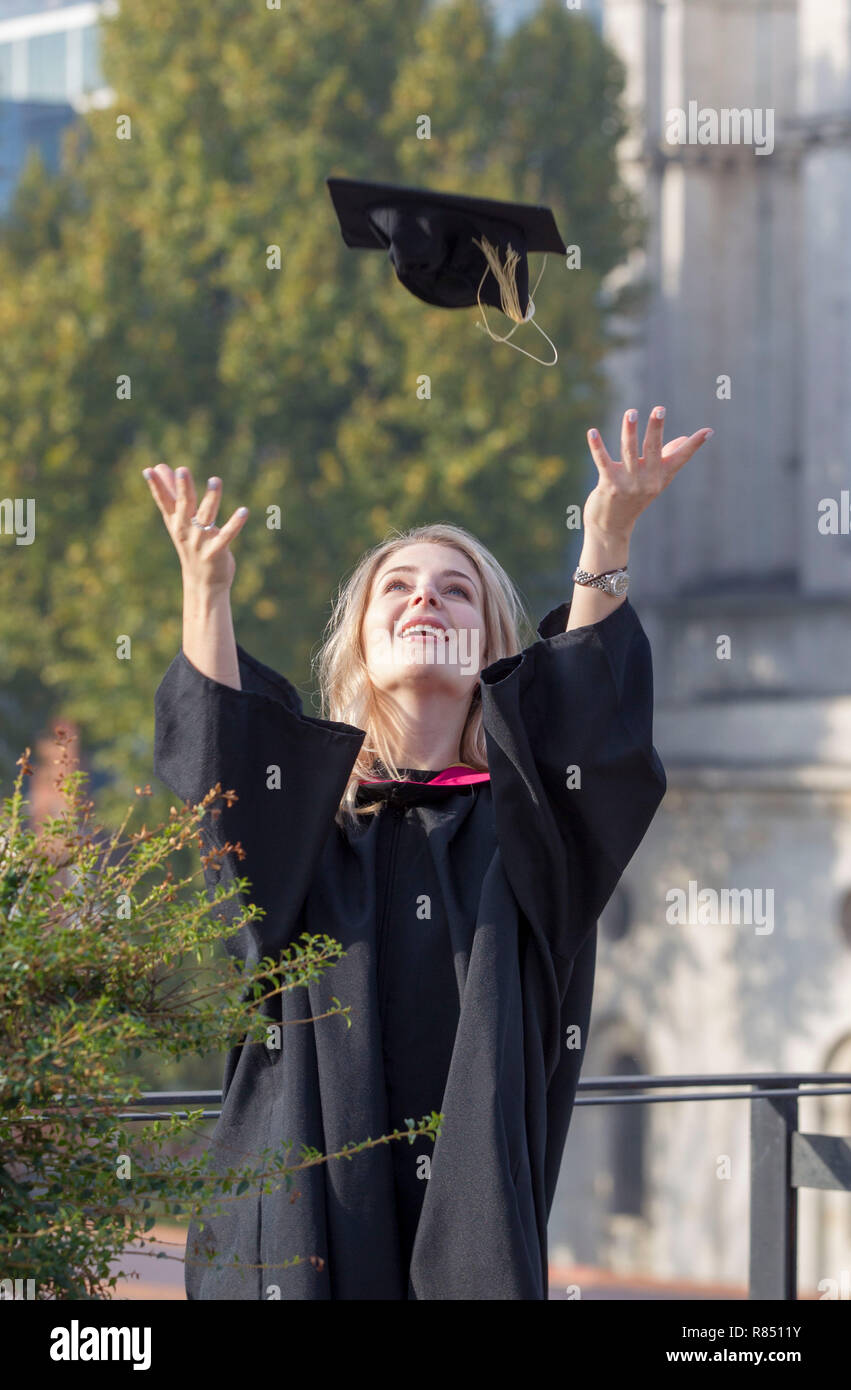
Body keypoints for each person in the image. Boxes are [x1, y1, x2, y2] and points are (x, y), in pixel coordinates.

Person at [145, 405, 713, 1300]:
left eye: (455, 590)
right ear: (361, 646)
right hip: (301, 1222)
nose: (425, 599)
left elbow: (587, 736)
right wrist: (204, 594)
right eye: (398, 587)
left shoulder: (531, 831)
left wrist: (604, 533)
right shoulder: (304, 830)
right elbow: (219, 757)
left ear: (491, 648)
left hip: (470, 1232)